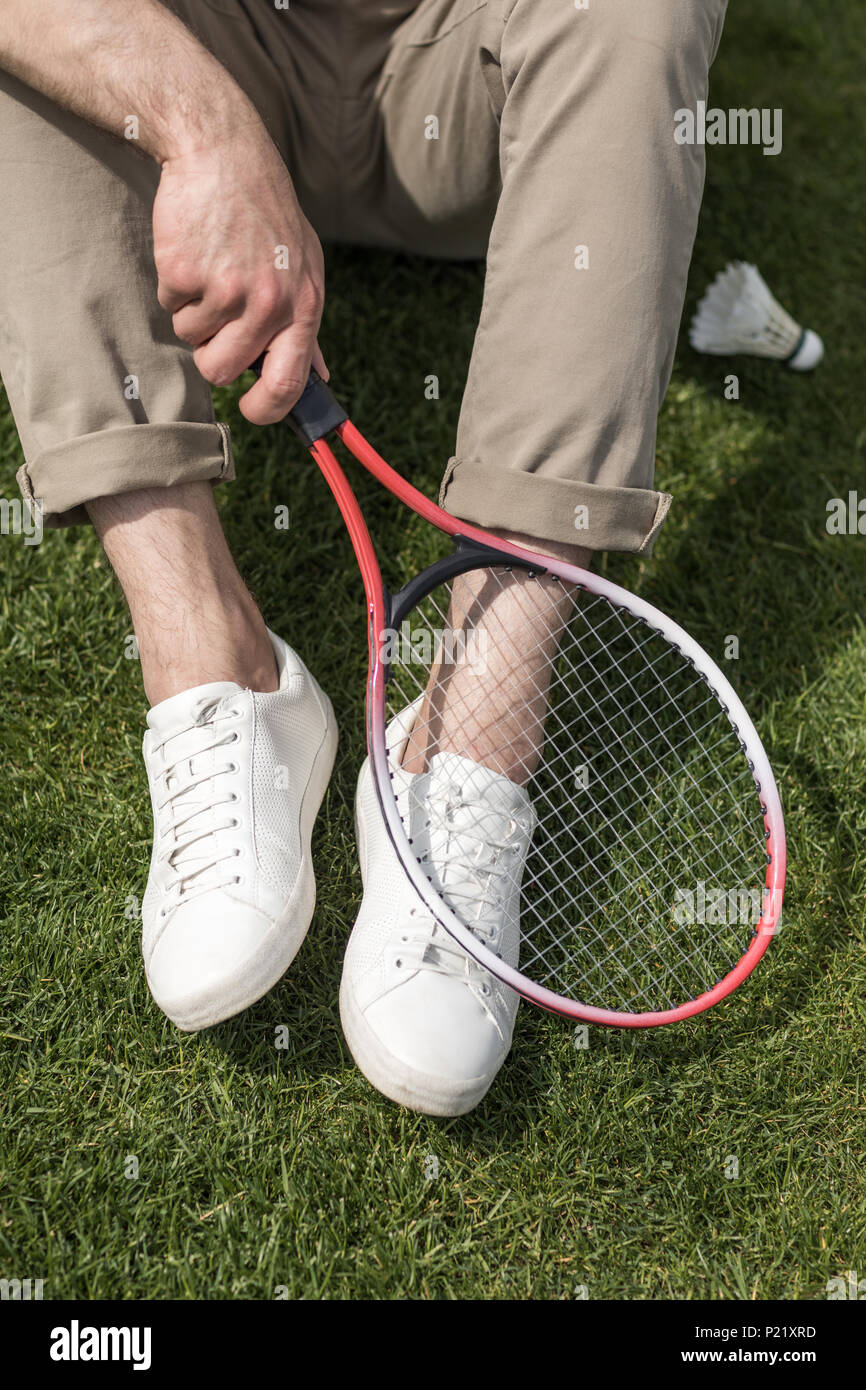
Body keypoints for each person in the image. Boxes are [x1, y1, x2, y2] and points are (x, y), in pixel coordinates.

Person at [0, 0, 727, 1115]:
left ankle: (470, 741)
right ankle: (215, 665)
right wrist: (204, 129)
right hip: (216, 48)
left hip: (486, 91)